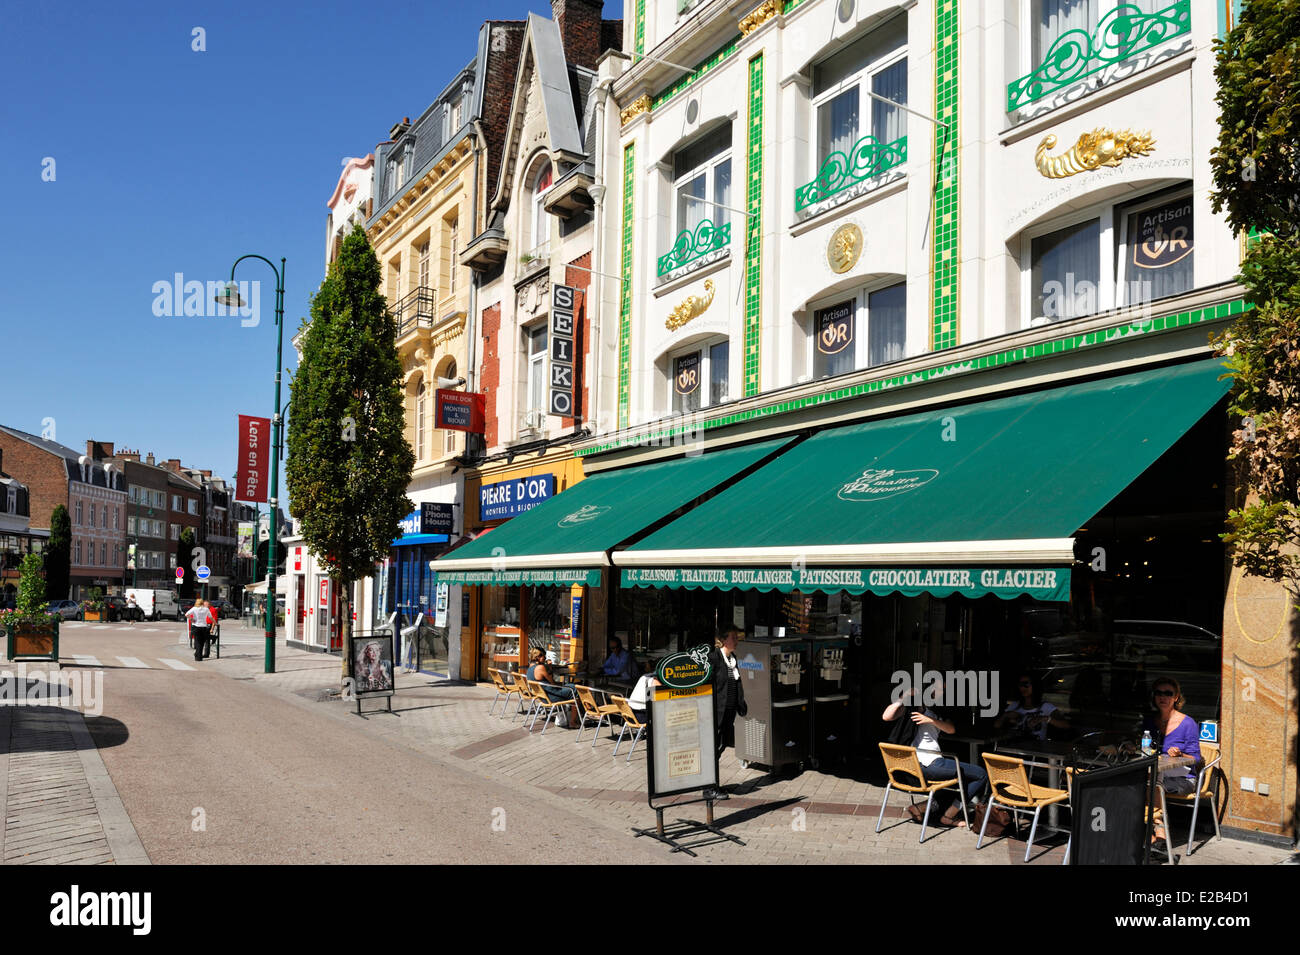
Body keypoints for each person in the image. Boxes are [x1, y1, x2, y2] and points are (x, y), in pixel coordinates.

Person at [882, 690, 987, 827]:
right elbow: (886, 716)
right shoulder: (915, 709)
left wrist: (931, 721)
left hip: (924, 765)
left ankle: (920, 807)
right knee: (981, 774)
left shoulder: (937, 713)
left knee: (955, 782)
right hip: (927, 764)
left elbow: (950, 729)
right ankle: (949, 815)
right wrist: (903, 696)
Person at [704, 627, 747, 799]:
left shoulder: (733, 658)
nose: (736, 641)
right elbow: (707, 686)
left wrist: (740, 703)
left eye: (736, 637)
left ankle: (712, 784)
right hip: (716, 713)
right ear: (723, 640)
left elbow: (737, 683)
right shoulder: (713, 658)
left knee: (721, 746)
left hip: (729, 712)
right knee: (713, 749)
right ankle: (709, 787)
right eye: (733, 637)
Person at [994, 672, 1070, 740]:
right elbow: (996, 726)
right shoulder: (1015, 705)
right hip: (1014, 746)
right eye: (1020, 685)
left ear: (1035, 685)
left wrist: (1045, 719)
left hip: (1036, 748)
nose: (1022, 687)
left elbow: (1065, 725)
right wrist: (1005, 716)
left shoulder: (1046, 706)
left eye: (1026, 684)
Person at [526, 648, 578, 727]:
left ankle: (581, 711)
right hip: (551, 697)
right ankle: (573, 722)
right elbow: (552, 682)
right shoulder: (540, 668)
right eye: (544, 656)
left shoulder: (530, 668)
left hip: (543, 697)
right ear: (538, 657)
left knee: (570, 686)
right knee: (575, 689)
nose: (545, 658)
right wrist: (549, 667)